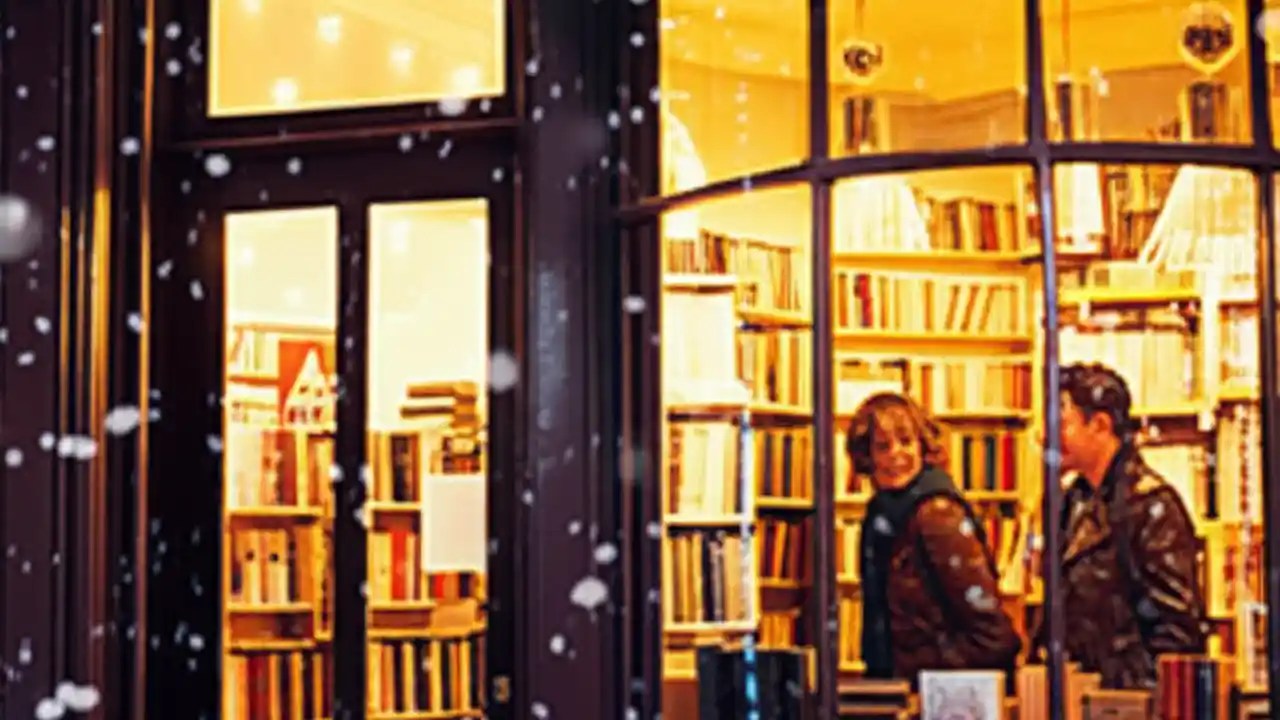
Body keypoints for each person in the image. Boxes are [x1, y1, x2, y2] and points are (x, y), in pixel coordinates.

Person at [1052, 362, 1206, 689]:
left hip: (1125, 702)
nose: (1046, 437)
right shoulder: (1073, 501)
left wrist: (1135, 699)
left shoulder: (1152, 506)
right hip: (1085, 694)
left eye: (1062, 424)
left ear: (1100, 425)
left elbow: (1177, 633)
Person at [850, 392, 1021, 687]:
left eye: (906, 442)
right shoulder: (882, 516)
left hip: (942, 693)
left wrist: (933, 674)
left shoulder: (936, 515)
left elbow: (992, 633)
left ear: (922, 447)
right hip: (907, 685)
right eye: (882, 446)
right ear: (868, 456)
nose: (896, 455)